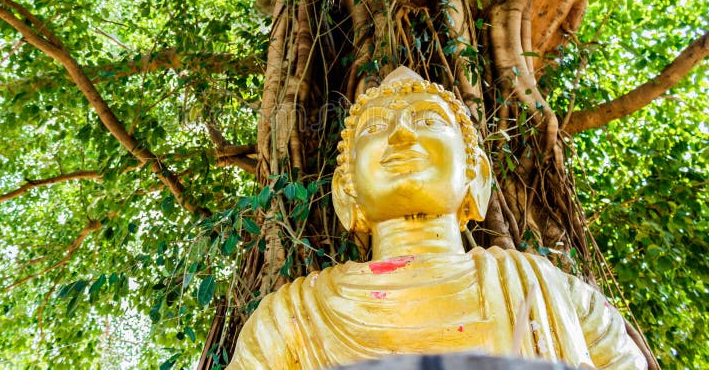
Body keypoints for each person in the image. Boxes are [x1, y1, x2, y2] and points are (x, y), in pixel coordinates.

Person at [228, 67, 646, 370]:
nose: (401, 135)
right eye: (375, 126)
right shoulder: (289, 318)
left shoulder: (555, 294)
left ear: (477, 176)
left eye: (428, 120)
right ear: (344, 191)